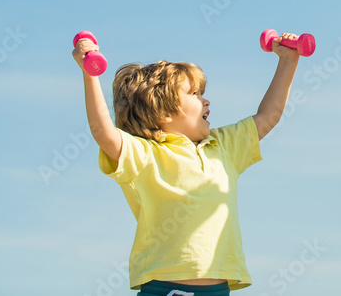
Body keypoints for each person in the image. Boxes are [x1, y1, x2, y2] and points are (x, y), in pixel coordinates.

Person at [73, 33, 303, 294]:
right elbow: (104, 133)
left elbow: (267, 116)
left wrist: (288, 60)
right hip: (162, 286)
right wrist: (89, 73)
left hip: (217, 288)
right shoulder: (146, 153)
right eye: (194, 93)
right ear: (162, 111)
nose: (206, 100)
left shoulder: (224, 146)